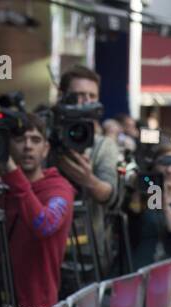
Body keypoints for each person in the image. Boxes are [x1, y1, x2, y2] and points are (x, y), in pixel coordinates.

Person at [0, 114, 75, 307]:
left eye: (35, 140)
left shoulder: (59, 189)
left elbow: (45, 224)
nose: (27, 146)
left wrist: (13, 174)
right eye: (19, 140)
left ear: (45, 149)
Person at [53, 65, 121, 275]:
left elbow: (110, 194)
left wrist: (87, 179)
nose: (86, 101)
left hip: (87, 256)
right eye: (79, 95)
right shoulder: (46, 139)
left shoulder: (104, 146)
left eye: (92, 96)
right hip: (45, 250)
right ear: (62, 97)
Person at [125, 144, 171, 270]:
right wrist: (138, 193)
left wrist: (164, 206)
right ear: (154, 166)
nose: (170, 170)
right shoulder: (140, 197)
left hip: (170, 276)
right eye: (164, 164)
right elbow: (127, 237)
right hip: (136, 272)